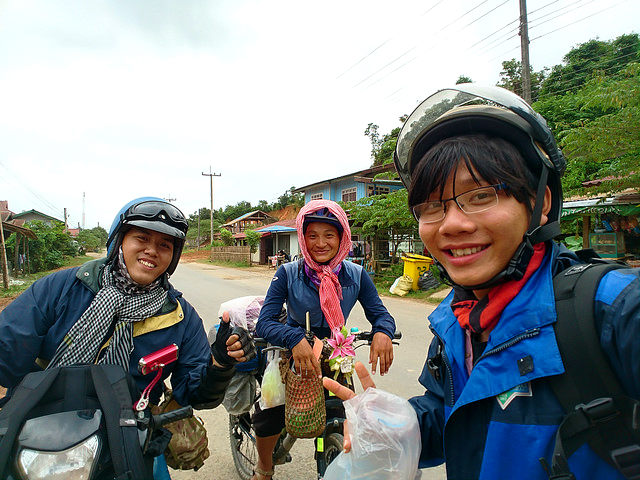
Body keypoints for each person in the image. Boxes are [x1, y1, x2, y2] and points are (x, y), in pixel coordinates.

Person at [324, 85, 639, 479]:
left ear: (539, 203)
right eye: (433, 206)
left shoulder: (612, 310)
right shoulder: (456, 321)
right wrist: (389, 425)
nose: (454, 224)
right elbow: (452, 419)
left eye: (481, 196)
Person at [0, 197, 255, 477]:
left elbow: (194, 394)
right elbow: (8, 351)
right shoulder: (62, 288)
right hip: (40, 431)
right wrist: (43, 395)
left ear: (174, 256)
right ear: (118, 241)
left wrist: (220, 364)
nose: (152, 251)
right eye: (141, 238)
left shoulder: (180, 316)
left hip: (130, 434)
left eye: (164, 245)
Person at [251, 199, 397, 480]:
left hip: (335, 353)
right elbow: (265, 322)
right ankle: (265, 468)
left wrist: (383, 331)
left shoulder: (356, 274)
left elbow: (381, 314)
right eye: (312, 235)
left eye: (329, 235)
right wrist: (293, 337)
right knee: (269, 413)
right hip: (293, 352)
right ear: (303, 239)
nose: (321, 243)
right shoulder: (287, 273)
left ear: (342, 237)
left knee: (351, 415)